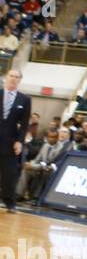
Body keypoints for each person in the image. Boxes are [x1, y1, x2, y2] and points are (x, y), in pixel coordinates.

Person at [0, 70, 32, 211]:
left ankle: (9, 203)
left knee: (10, 173)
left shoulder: (24, 99)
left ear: (20, 80)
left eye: (17, 77)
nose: (13, 79)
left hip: (11, 141)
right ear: (6, 78)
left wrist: (20, 141)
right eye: (11, 76)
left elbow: (24, 124)